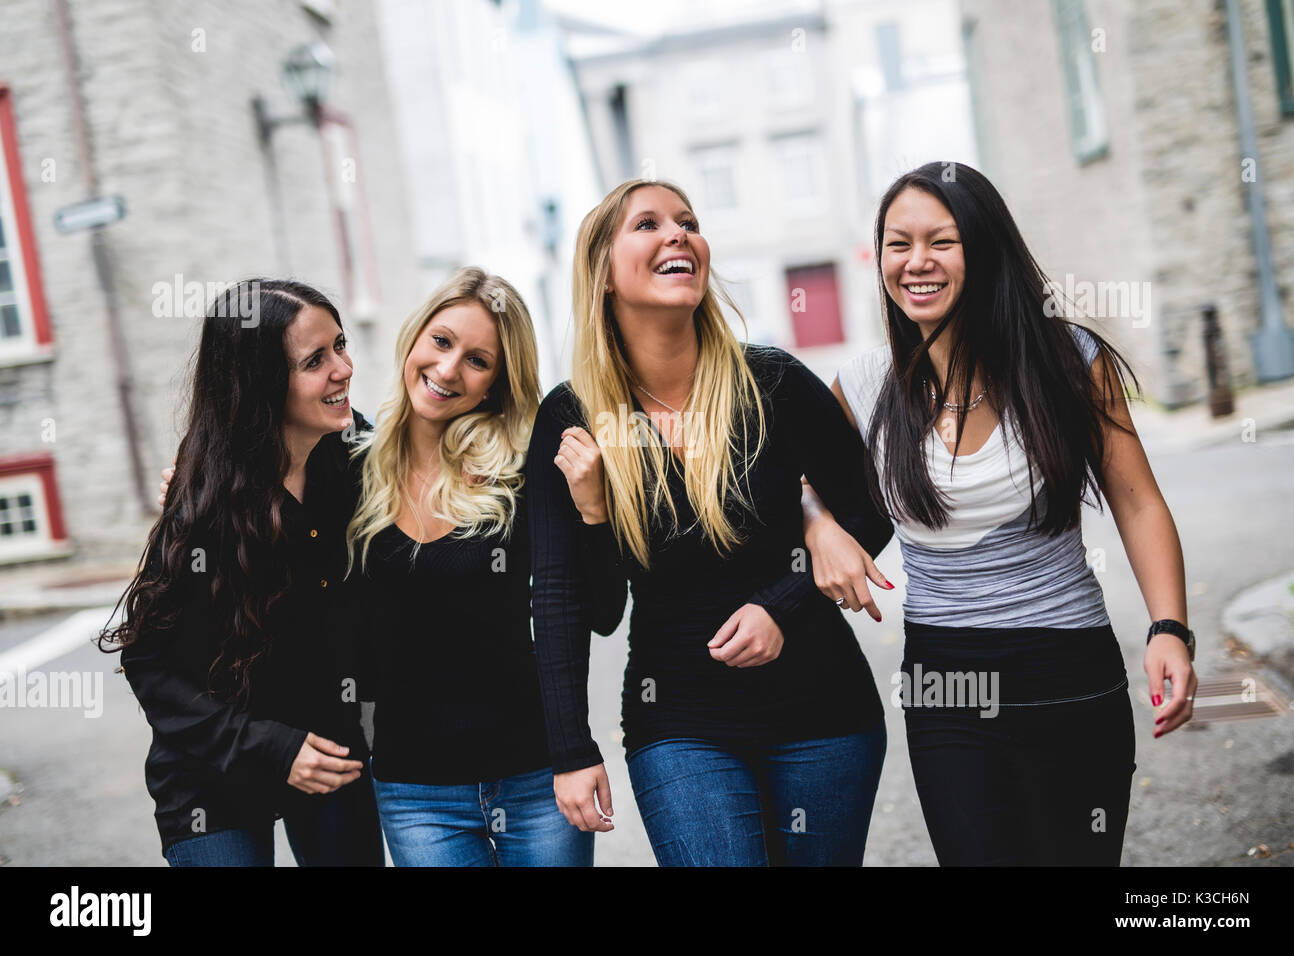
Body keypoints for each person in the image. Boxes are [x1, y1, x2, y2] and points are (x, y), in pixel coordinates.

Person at [802, 161, 1198, 865]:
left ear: (983, 250)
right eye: (898, 243)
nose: (915, 262)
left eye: (940, 241)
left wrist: (1170, 628)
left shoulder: (1068, 363)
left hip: (1070, 672)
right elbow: (796, 483)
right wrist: (818, 525)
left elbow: (1138, 501)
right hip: (945, 684)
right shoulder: (865, 384)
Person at [526, 179, 895, 866]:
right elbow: (569, 600)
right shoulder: (570, 417)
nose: (678, 234)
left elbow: (870, 506)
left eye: (688, 222)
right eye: (649, 224)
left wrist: (784, 603)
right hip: (680, 724)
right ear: (603, 273)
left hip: (824, 711)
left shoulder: (773, 383)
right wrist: (570, 749)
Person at [345, 266, 620, 866]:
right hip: (414, 790)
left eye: (477, 360)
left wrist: (595, 510)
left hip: (537, 777)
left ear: (498, 382)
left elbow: (601, 611)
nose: (448, 370)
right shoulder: (350, 468)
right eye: (441, 342)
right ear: (415, 337)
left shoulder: (524, 471)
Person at [102, 279, 382, 866]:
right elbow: (150, 661)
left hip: (330, 750)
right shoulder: (206, 501)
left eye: (340, 345)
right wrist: (269, 747)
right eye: (315, 361)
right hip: (213, 769)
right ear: (260, 384)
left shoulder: (358, 459)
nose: (344, 369)